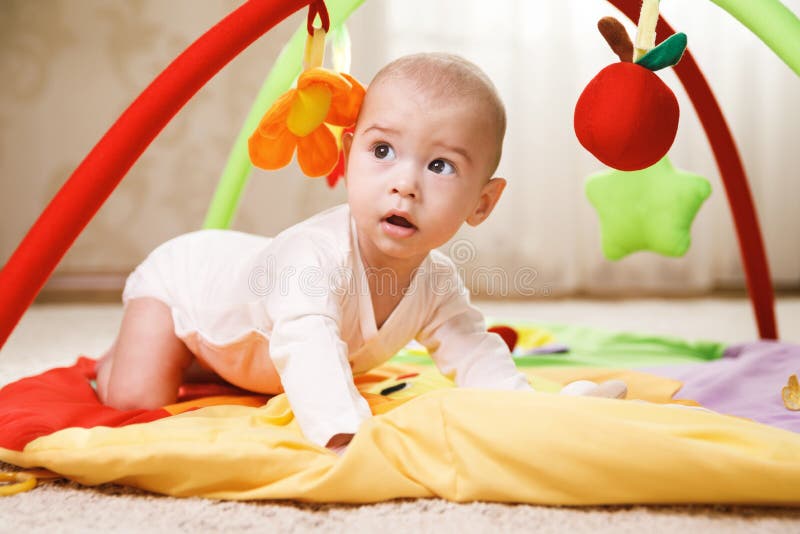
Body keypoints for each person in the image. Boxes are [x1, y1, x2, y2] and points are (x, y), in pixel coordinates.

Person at [96, 53, 625, 453]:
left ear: (481, 203)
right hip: (186, 284)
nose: (405, 185)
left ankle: (202, 360)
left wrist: (537, 414)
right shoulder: (313, 259)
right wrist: (347, 436)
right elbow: (308, 351)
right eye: (382, 151)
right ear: (348, 158)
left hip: (249, 326)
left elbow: (474, 353)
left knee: (237, 369)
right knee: (135, 399)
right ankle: (120, 357)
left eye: (440, 166)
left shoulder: (436, 282)